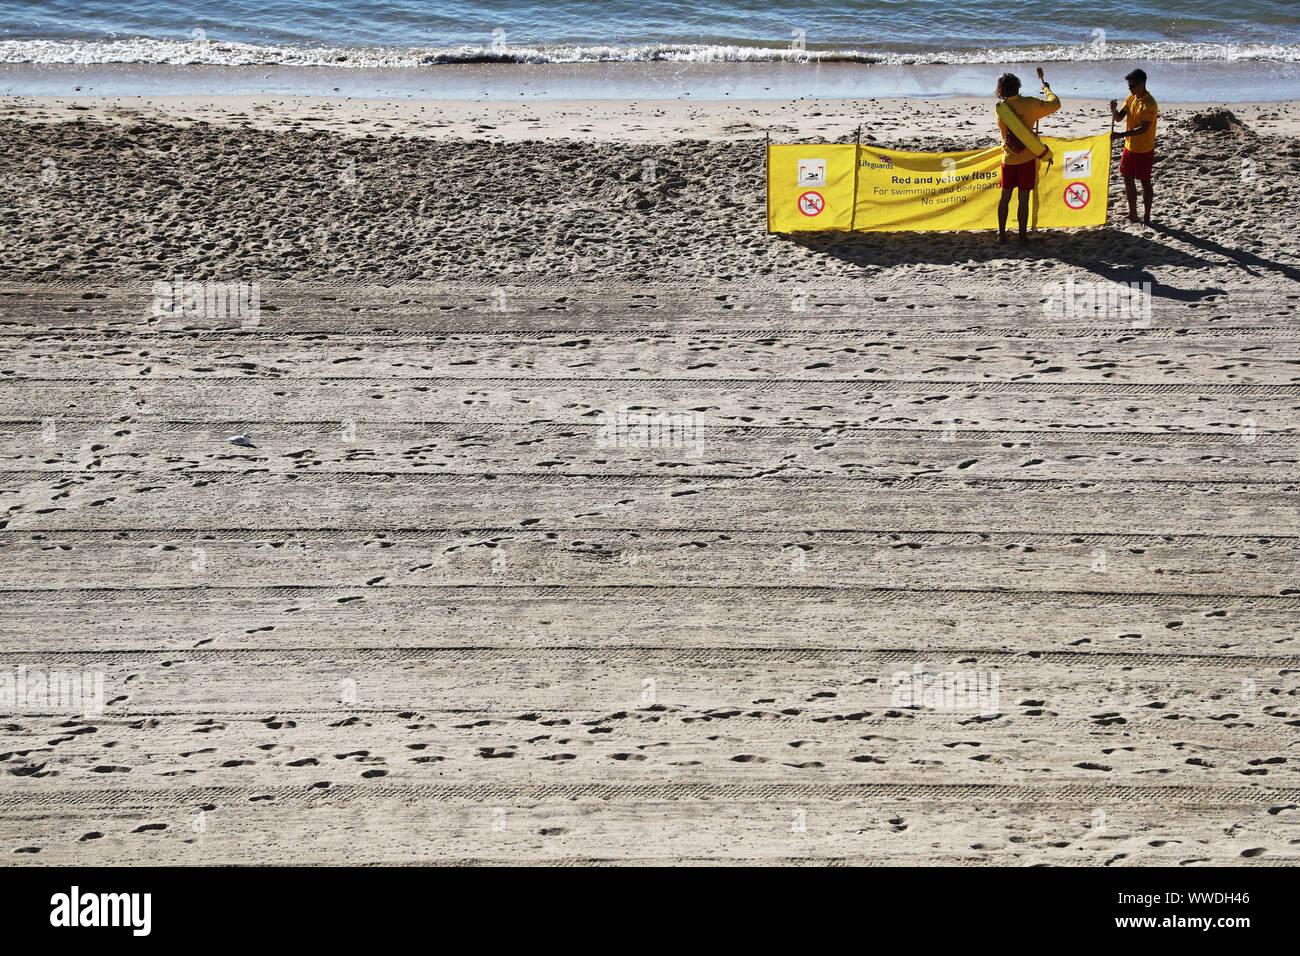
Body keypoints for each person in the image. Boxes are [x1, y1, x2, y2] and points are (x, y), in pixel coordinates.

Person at [995, 67, 1060, 244]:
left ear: (1000, 90)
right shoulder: (1031, 104)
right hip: (1027, 158)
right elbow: (1055, 103)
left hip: (1008, 158)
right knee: (1023, 198)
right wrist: (1046, 87)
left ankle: (1001, 235)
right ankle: (1022, 236)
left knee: (1005, 197)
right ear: (1018, 87)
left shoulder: (1001, 108)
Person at [1110, 69, 1157, 225]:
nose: (1130, 89)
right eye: (1128, 86)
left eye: (1132, 85)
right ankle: (1133, 213)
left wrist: (1122, 135)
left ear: (1142, 84)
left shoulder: (1150, 103)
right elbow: (1118, 118)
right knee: (1127, 178)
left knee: (1145, 182)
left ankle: (1147, 215)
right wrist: (1113, 111)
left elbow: (1143, 128)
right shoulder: (1131, 98)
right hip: (1129, 147)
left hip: (1144, 149)